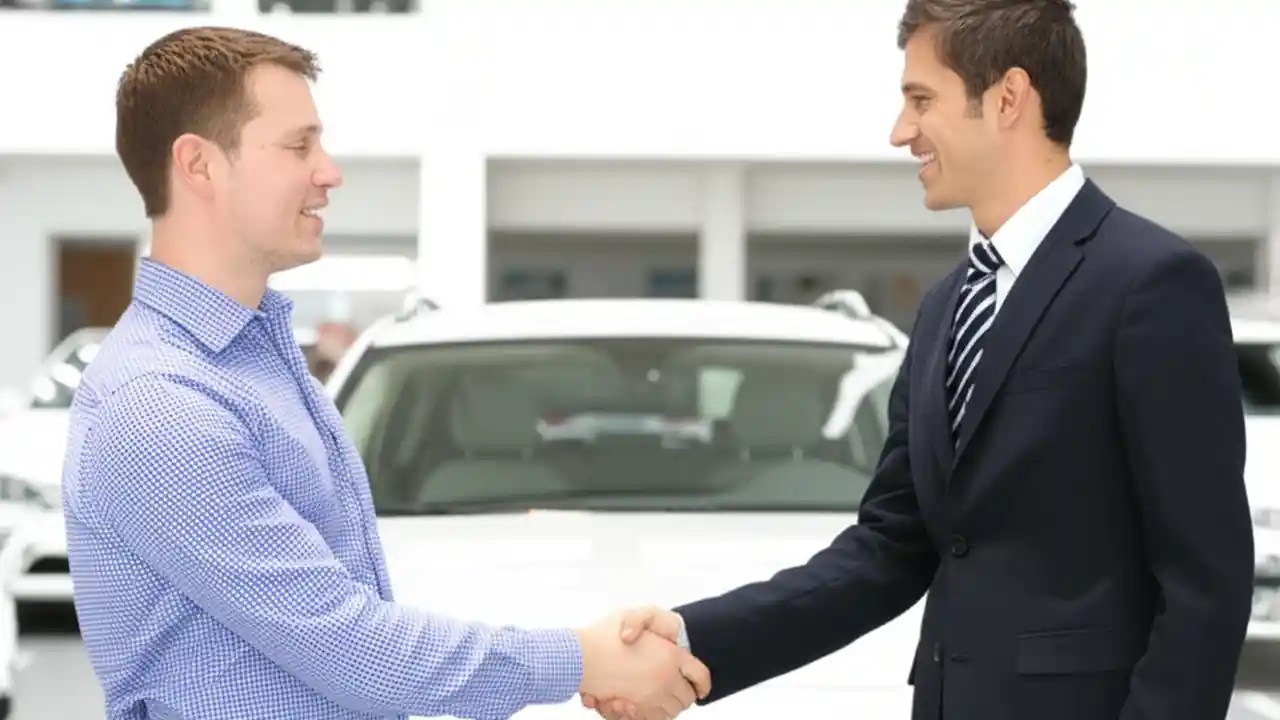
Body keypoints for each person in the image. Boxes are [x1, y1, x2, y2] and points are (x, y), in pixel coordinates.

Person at [583, 1, 1255, 719]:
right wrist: (693, 638)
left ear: (1007, 100)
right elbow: (891, 548)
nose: (901, 132)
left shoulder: (1151, 282)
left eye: (921, 100)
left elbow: (1205, 586)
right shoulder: (944, 309)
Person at [61, 26, 708, 720]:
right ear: (199, 166)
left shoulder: (261, 366)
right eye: (298, 145)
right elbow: (358, 651)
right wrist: (585, 658)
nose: (329, 171)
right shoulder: (160, 405)